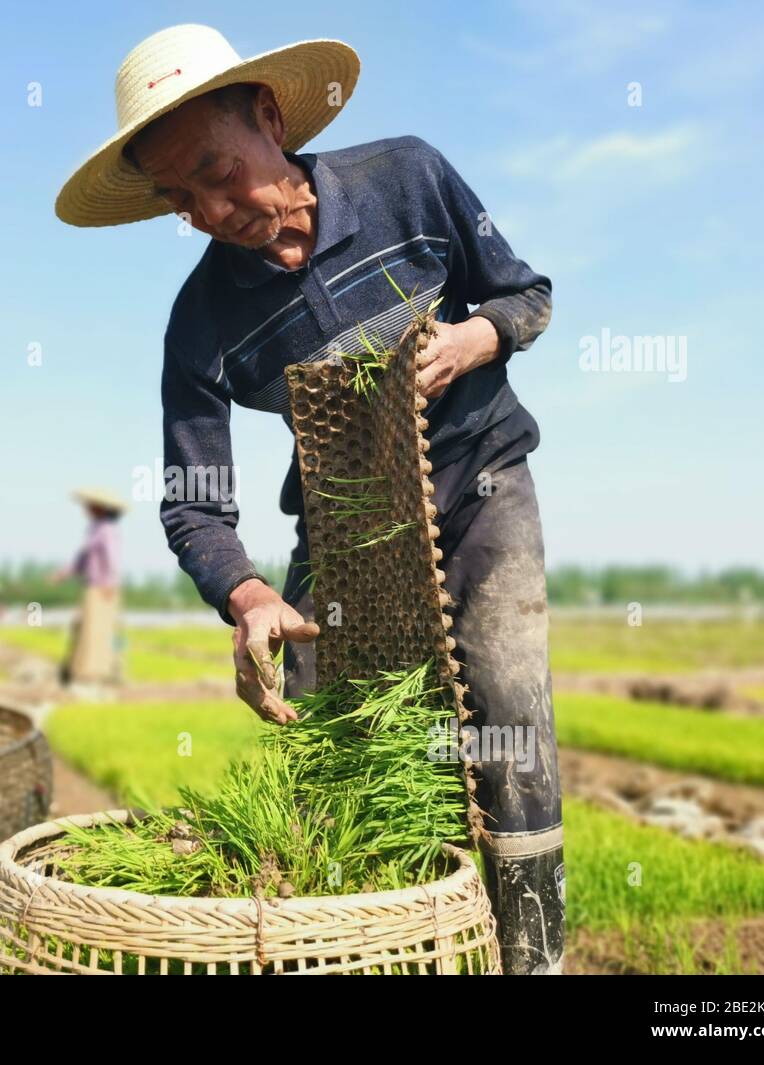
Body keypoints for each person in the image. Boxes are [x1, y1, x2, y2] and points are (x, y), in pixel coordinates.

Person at [55, 24, 563, 973]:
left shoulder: (407, 179)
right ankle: (390, 950)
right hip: (347, 521)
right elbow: (194, 501)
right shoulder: (201, 320)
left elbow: (526, 293)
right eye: (180, 197)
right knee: (340, 735)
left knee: (506, 712)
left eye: (217, 170)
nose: (210, 209)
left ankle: (535, 959)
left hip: (481, 478)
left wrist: (476, 338)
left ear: (269, 115)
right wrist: (246, 598)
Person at [52, 488, 125, 685]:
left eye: (90, 505)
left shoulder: (108, 530)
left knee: (103, 630)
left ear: (100, 508)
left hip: (103, 587)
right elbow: (82, 560)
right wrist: (64, 573)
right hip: (93, 586)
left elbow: (112, 558)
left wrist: (110, 582)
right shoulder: (94, 529)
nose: (86, 508)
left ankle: (104, 671)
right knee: (84, 628)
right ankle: (81, 670)